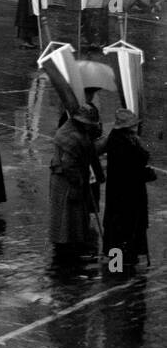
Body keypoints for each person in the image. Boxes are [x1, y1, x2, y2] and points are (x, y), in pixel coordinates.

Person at [49, 103, 103, 253]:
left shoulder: (73, 128)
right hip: (66, 180)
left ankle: (71, 240)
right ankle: (67, 244)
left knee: (72, 215)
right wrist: (78, 184)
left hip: (67, 178)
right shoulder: (72, 137)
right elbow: (69, 164)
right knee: (67, 215)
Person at [103, 108, 152, 270]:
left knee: (126, 228)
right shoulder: (121, 142)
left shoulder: (125, 140)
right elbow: (132, 167)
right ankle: (117, 266)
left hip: (126, 193)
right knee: (121, 229)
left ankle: (124, 262)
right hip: (124, 194)